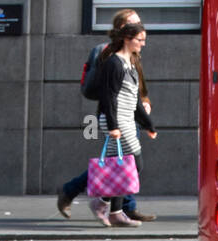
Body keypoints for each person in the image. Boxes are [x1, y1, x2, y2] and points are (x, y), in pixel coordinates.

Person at [56, 8, 156, 223]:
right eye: (133, 24)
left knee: (121, 162)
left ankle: (122, 208)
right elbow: (109, 91)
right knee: (120, 163)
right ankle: (83, 195)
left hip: (130, 114)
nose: (139, 28)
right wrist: (113, 123)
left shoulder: (133, 53)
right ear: (122, 28)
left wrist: (144, 103)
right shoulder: (110, 54)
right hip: (115, 116)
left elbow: (136, 84)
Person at [91, 22, 158, 227]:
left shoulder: (130, 62)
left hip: (126, 119)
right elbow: (109, 97)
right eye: (140, 39)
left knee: (121, 168)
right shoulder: (114, 63)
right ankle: (105, 205)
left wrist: (148, 125)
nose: (143, 44)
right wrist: (113, 126)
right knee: (132, 165)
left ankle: (111, 210)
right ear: (127, 39)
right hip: (116, 119)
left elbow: (135, 100)